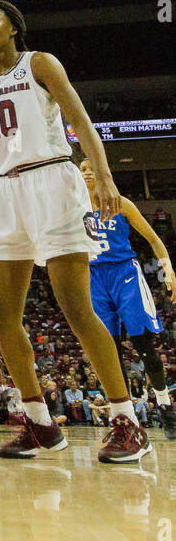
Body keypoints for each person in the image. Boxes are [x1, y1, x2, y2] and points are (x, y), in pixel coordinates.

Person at [0, 1, 151, 464]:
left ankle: (127, 420)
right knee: (2, 312)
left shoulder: (39, 63)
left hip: (54, 181)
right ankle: (40, 424)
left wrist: (103, 175)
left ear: (13, 27)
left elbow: (80, 121)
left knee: (77, 307)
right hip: (5, 192)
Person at [80, 158, 176, 440]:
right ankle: (124, 415)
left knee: (144, 343)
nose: (86, 173)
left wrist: (168, 270)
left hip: (125, 273)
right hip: (94, 276)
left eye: (90, 169)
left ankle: (164, 404)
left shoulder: (120, 203)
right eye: (82, 170)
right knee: (108, 350)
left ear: (102, 175)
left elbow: (154, 240)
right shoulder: (74, 208)